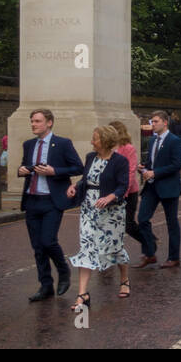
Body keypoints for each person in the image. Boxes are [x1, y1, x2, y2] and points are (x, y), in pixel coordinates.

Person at [18, 108, 84, 301]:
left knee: (48, 241)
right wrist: (21, 170)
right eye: (32, 121)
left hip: (51, 201)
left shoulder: (62, 143)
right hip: (31, 199)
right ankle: (45, 285)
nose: (33, 124)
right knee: (37, 247)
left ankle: (63, 271)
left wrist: (54, 171)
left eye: (37, 121)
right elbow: (25, 166)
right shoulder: (28, 144)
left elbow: (77, 167)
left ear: (49, 123)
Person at [66, 124, 131, 308]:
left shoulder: (120, 161)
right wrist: (75, 187)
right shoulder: (90, 157)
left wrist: (110, 197)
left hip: (112, 212)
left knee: (115, 248)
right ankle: (82, 295)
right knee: (87, 247)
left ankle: (124, 279)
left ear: (105, 141)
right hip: (89, 208)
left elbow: (123, 185)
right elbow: (86, 179)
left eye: (95, 138)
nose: (91, 142)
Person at [136, 111, 181, 268]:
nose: (152, 124)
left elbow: (176, 165)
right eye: (152, 121)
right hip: (151, 187)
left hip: (168, 187)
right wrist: (144, 168)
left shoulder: (174, 141)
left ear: (165, 122)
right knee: (142, 218)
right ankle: (150, 253)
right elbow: (151, 162)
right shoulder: (152, 141)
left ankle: (174, 257)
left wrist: (155, 172)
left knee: (172, 223)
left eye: (155, 121)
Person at [110, 120, 142, 245]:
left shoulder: (128, 148)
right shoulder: (109, 149)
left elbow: (130, 171)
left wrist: (123, 192)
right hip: (112, 192)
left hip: (128, 192)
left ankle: (149, 241)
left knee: (128, 224)